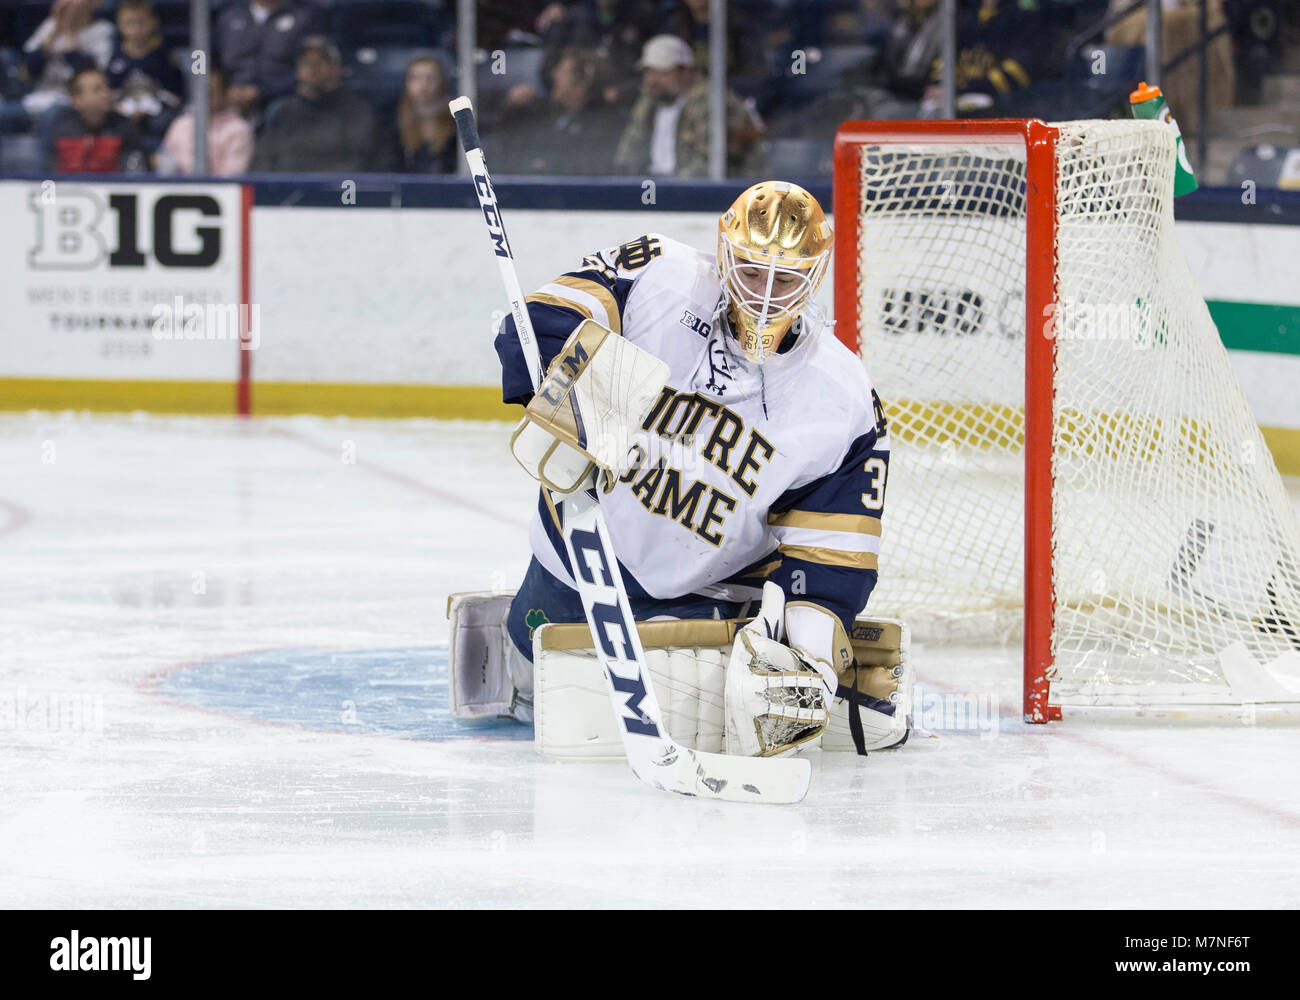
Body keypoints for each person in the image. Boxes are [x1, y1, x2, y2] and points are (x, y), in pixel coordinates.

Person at [451, 181, 905, 755]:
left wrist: (808, 659)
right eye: (751, 270)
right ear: (724, 251)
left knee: (671, 733)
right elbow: (540, 321)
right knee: (529, 696)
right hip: (579, 555)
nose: (765, 296)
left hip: (708, 597)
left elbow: (830, 555)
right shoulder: (659, 275)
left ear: (815, 275)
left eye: (785, 278)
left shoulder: (841, 395)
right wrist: (562, 386)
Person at [614, 34, 765, 178]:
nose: (653, 80)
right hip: (655, 189)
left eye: (662, 72)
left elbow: (708, 165)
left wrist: (668, 193)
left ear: (686, 71)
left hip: (700, 195)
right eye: (649, 72)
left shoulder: (712, 101)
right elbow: (628, 152)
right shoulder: (650, 100)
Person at [250, 37, 378, 173]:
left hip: (338, 191)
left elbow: (362, 164)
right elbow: (261, 163)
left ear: (337, 68)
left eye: (320, 62)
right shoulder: (283, 113)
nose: (312, 68)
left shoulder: (358, 113)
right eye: (305, 62)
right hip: (286, 191)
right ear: (298, 70)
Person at [496, 46, 622, 175]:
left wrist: (547, 165)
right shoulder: (545, 112)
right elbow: (511, 146)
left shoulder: (604, 123)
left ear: (582, 83)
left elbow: (589, 168)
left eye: (562, 72)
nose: (554, 75)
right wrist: (513, 108)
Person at [215, 0, 324, 117]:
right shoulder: (228, 16)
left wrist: (262, 92)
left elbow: (310, 69)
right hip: (229, 97)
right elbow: (210, 61)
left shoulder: (305, 16)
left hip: (281, 98)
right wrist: (225, 90)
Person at [16, 0, 115, 123]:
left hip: (74, 100)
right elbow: (29, 71)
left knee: (51, 115)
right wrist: (55, 31)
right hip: (41, 96)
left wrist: (70, 34)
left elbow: (92, 74)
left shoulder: (103, 30)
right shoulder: (49, 26)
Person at [105, 0, 185, 147]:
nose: (136, 29)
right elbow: (110, 88)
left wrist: (148, 109)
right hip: (124, 110)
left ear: (154, 22)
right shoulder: (114, 54)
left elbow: (175, 91)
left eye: (141, 22)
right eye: (130, 23)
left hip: (158, 113)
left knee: (162, 123)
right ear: (120, 25)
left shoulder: (164, 54)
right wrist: (124, 108)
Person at [45, 65, 147, 172]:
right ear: (77, 100)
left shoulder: (126, 127)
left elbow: (133, 174)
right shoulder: (60, 129)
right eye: (97, 89)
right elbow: (47, 174)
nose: (106, 94)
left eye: (106, 87)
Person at [160, 67, 254, 175]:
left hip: (218, 190)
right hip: (176, 190)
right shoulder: (180, 124)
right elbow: (165, 166)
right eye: (201, 91)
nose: (205, 97)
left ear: (225, 93)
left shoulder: (239, 129)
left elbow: (232, 175)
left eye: (211, 92)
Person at [388, 55, 457, 174]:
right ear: (406, 84)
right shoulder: (391, 122)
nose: (423, 85)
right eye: (416, 78)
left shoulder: (456, 122)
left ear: (442, 83)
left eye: (430, 78)